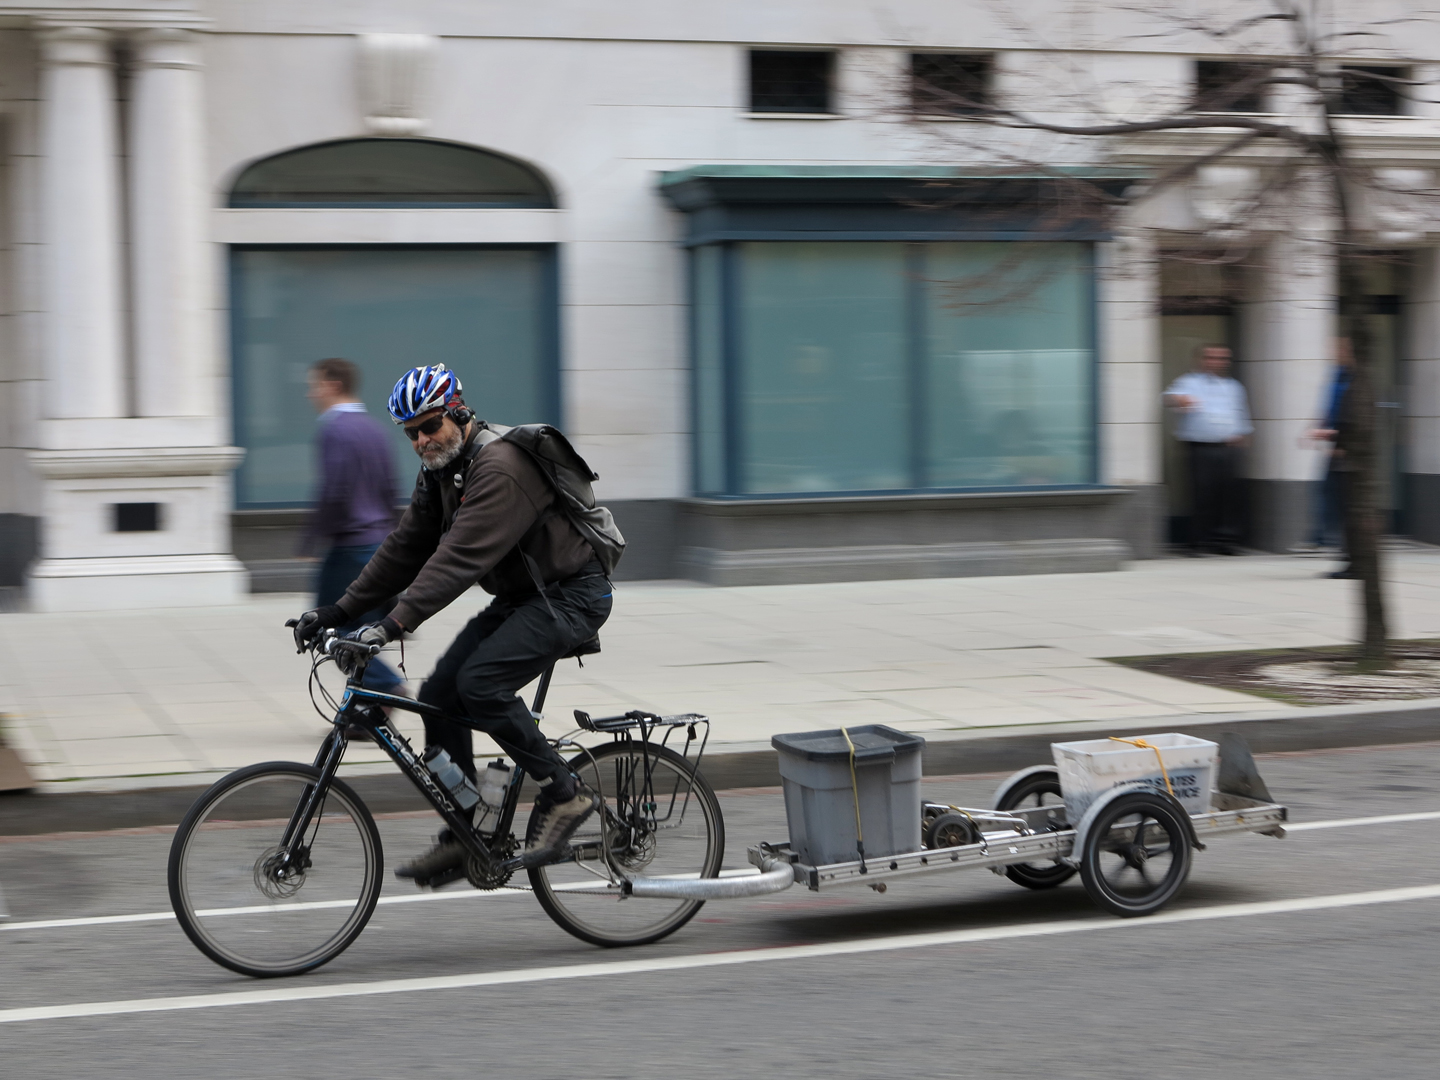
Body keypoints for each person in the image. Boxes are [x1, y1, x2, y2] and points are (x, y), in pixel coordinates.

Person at [289, 364, 611, 885]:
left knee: (480, 685)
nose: (420, 440)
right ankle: (466, 836)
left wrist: (389, 626)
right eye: (410, 432)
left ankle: (565, 793)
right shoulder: (442, 470)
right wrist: (338, 612)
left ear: (459, 413)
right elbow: (405, 547)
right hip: (524, 598)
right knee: (440, 692)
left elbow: (456, 560)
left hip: (572, 596)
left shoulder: (500, 468)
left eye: (430, 426)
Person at [302, 358, 405, 696]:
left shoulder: (334, 429)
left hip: (348, 546)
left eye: (314, 385)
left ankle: (385, 686)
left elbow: (334, 489)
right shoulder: (375, 428)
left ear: (333, 385)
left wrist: (312, 538)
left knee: (327, 628)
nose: (310, 393)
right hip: (377, 544)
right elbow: (391, 486)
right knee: (363, 630)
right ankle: (367, 709)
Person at [1164, 344, 1253, 555]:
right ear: (1201, 360)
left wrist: (1243, 434)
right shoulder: (1189, 382)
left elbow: (1241, 414)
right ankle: (1198, 541)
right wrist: (1180, 400)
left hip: (1229, 448)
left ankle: (1225, 541)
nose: (1217, 362)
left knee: (1229, 496)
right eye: (1212, 357)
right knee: (1202, 496)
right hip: (1200, 448)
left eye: (1222, 358)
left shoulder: (1234, 386)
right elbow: (1168, 397)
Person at [1306, 340, 1356, 579]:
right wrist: (1319, 428)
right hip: (1337, 447)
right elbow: (1330, 407)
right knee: (1333, 499)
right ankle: (1336, 548)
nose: (1334, 353)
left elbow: (1359, 419)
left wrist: (1334, 436)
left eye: (1340, 349)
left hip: (1350, 451)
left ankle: (1354, 560)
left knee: (1349, 506)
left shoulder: (1357, 378)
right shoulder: (1337, 374)